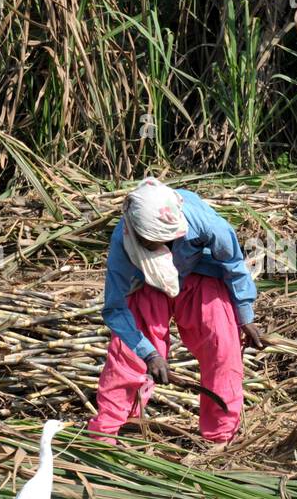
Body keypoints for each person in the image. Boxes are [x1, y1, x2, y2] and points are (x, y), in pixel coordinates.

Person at [88, 178, 264, 443]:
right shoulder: (123, 243)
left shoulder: (205, 224)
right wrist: (149, 354)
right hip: (147, 281)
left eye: (169, 240)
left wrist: (245, 314)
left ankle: (220, 436)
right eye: (154, 243)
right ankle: (109, 432)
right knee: (128, 354)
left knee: (222, 347)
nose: (166, 248)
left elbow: (233, 263)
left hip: (199, 274)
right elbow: (115, 309)